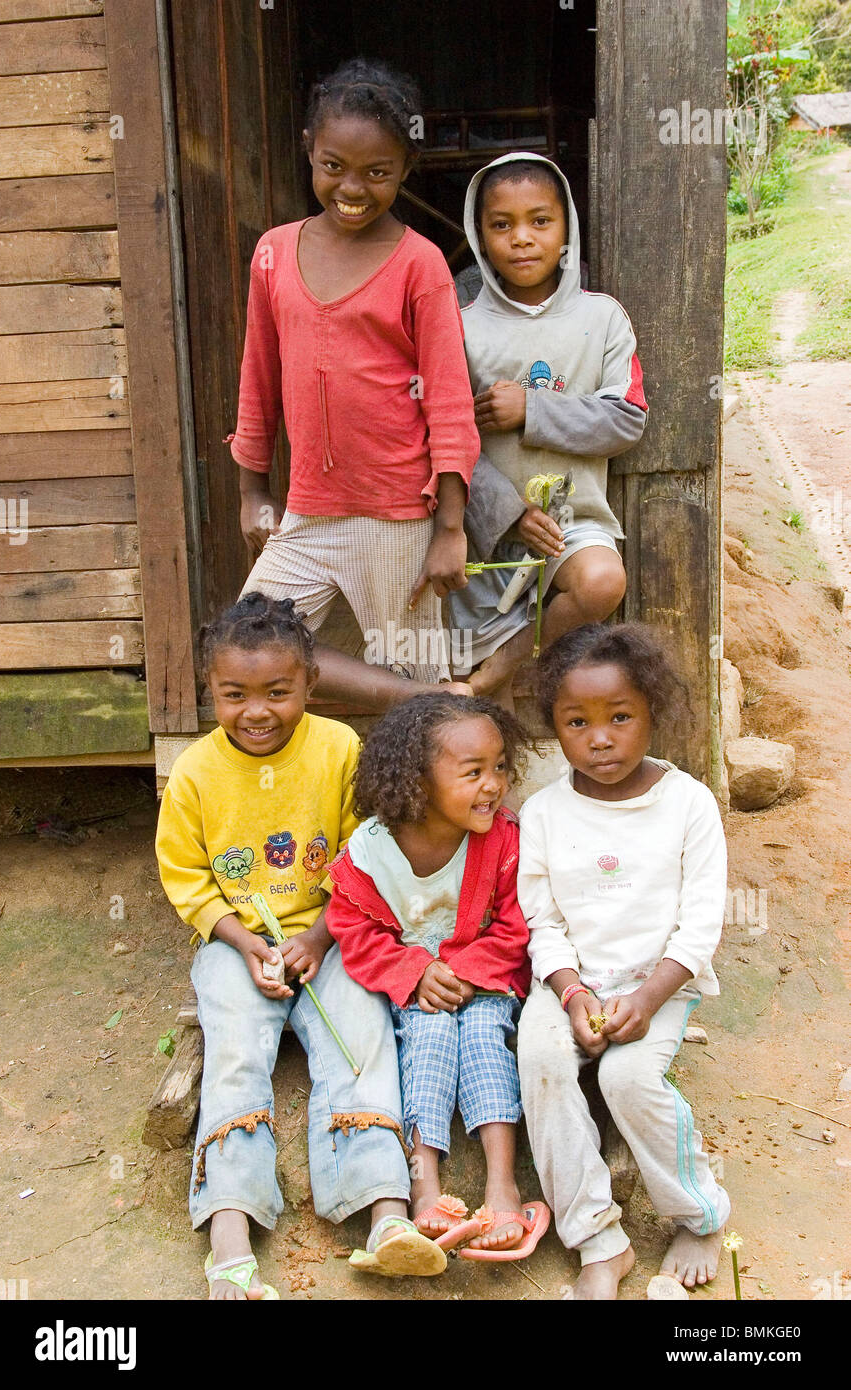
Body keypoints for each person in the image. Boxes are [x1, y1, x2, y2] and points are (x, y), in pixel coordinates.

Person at [155, 593, 450, 1298]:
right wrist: (242, 940)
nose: (256, 711)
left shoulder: (341, 750)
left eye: (277, 693)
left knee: (365, 1037)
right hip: (237, 942)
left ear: (310, 686)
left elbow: (363, 855)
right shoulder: (195, 772)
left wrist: (321, 936)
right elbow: (187, 878)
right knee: (235, 1054)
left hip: (336, 929)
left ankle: (384, 1212)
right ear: (211, 692)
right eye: (234, 695)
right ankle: (230, 1236)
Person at [228, 58, 479, 707]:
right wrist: (253, 488)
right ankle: (406, 698)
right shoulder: (274, 252)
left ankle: (440, 763)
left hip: (397, 518)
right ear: (310, 148)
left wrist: (450, 527)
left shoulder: (420, 265)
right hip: (308, 512)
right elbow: (257, 377)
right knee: (252, 645)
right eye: (334, 165)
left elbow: (450, 403)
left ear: (406, 168)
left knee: (421, 684)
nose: (353, 188)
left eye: (378, 172)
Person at [515, 623, 731, 1299]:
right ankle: (598, 1241)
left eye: (620, 717)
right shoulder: (544, 811)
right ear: (554, 726)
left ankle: (699, 1214)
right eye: (577, 722)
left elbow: (700, 926)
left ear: (653, 713)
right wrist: (572, 994)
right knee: (544, 1060)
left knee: (629, 1079)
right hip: (573, 986)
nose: (600, 737)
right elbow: (542, 922)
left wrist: (647, 998)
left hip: (658, 985)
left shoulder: (688, 804)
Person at [326, 693, 550, 1260]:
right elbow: (353, 929)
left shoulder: (502, 841)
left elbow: (516, 925)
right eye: (473, 772)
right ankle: (425, 1186)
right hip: (417, 987)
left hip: (486, 981)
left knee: (481, 1038)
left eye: (499, 767)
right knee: (425, 1038)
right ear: (417, 782)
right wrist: (414, 970)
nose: (494, 784)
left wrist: (468, 973)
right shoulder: (371, 854)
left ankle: (502, 1181)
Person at [448, 152, 649, 701]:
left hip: (571, 528)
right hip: (480, 531)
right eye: (501, 224)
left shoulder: (602, 317)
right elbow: (443, 436)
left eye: (540, 221)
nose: (521, 238)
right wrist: (509, 513)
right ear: (478, 233)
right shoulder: (457, 326)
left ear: (567, 229)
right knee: (447, 661)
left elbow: (626, 419)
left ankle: (507, 667)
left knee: (603, 581)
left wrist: (531, 411)